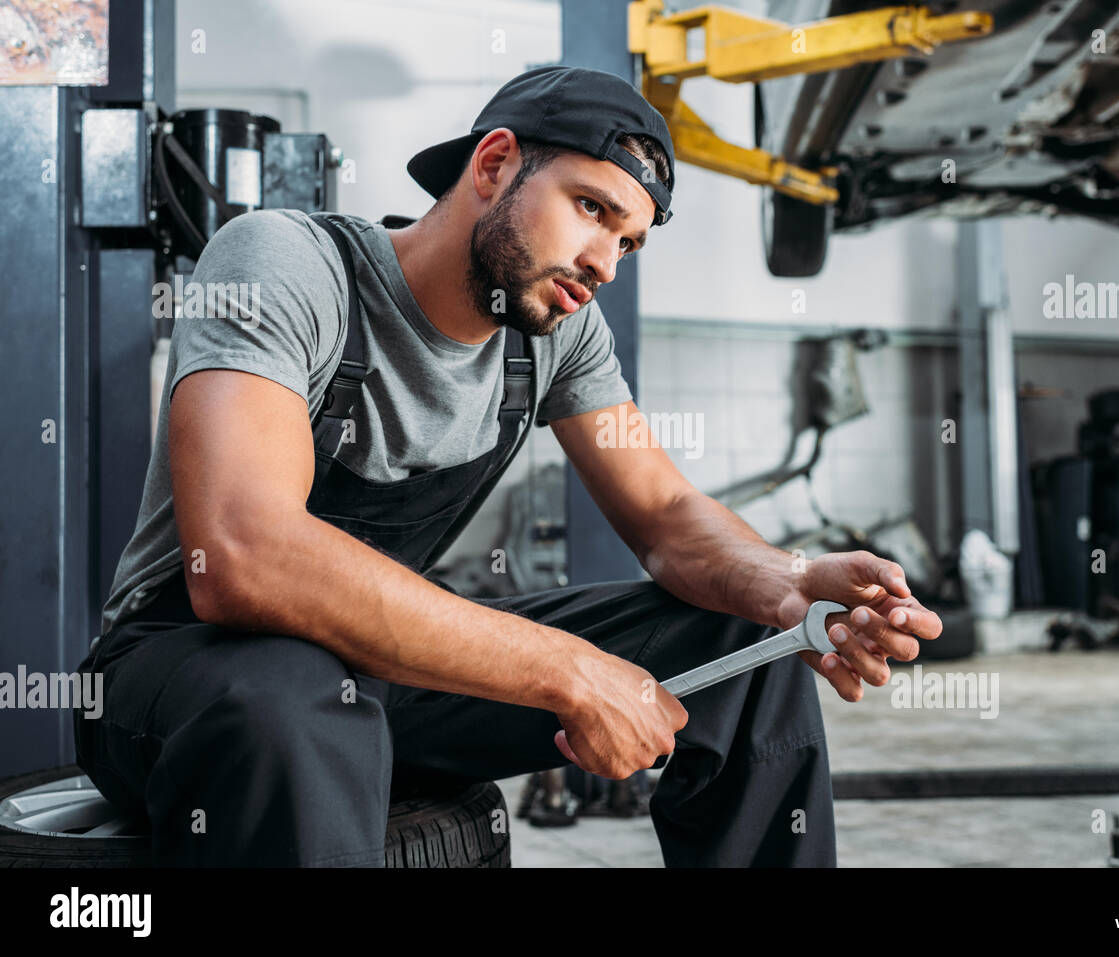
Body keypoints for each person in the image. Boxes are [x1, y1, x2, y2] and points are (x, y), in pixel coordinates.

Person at [74, 65, 942, 867]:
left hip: (371, 673)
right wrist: (567, 668)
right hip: (186, 673)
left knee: (745, 643)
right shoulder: (287, 262)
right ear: (494, 165)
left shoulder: (556, 336)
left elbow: (668, 515)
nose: (605, 262)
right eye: (593, 209)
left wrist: (790, 583)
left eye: (629, 243)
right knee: (288, 697)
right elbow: (243, 557)